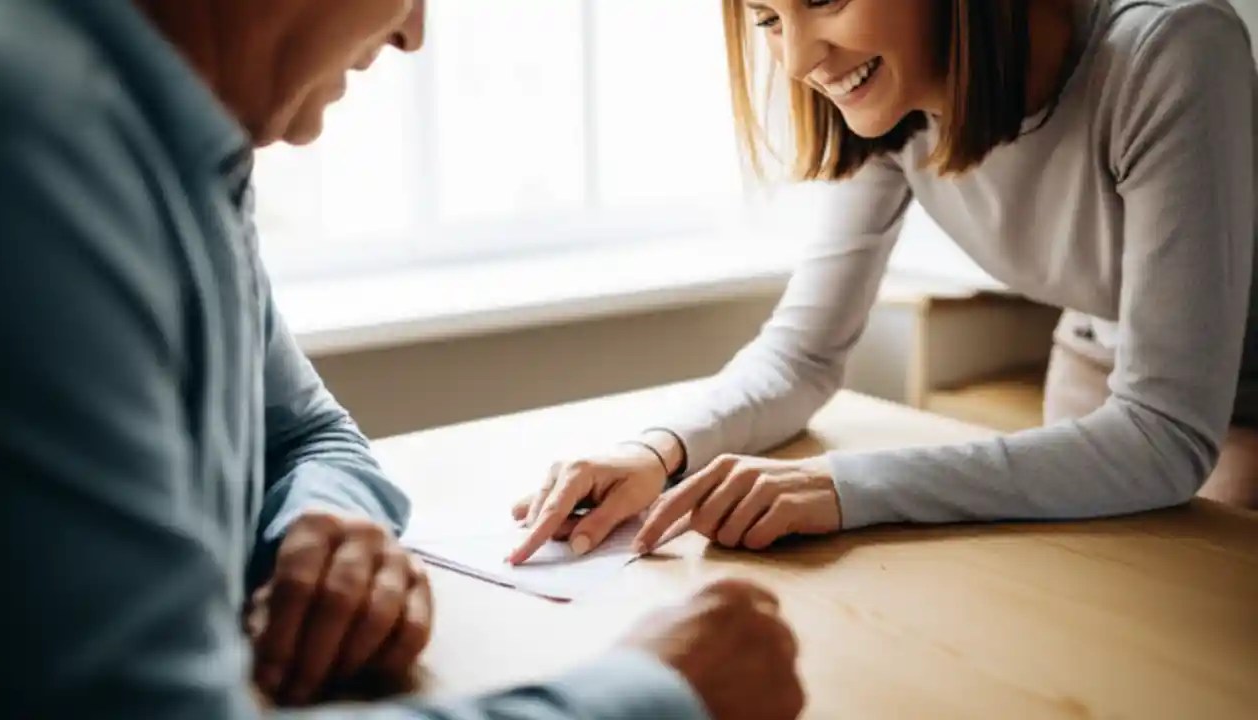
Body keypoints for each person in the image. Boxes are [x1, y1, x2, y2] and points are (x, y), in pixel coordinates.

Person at [0, 0, 806, 718]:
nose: (413, 33)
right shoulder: (25, 136)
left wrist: (321, 530)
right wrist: (654, 696)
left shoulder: (182, 152)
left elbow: (313, 437)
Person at [508, 0, 1258, 564]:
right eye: (769, 16)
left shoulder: (1173, 53)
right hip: (1099, 363)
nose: (799, 57)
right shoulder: (893, 105)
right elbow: (800, 358)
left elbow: (1164, 435)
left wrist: (844, 487)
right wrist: (659, 451)